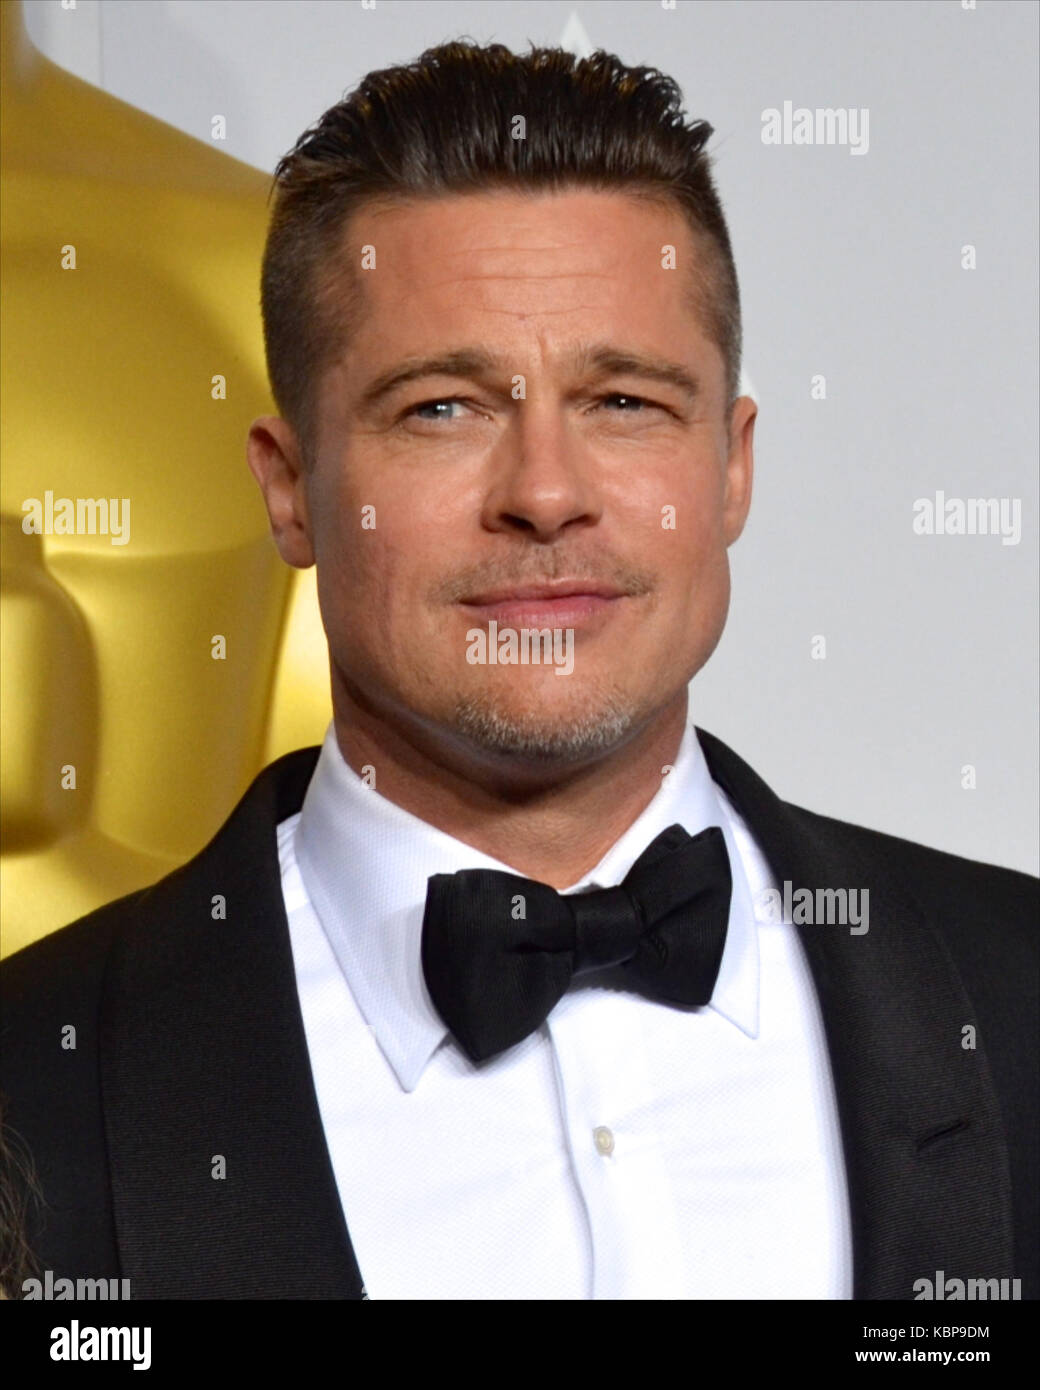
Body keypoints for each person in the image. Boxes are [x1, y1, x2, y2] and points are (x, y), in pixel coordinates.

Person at [1, 39, 1035, 1302]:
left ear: (729, 467)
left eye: (624, 403)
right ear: (289, 491)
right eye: (442, 408)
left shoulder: (1015, 990)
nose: (544, 494)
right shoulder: (31, 1078)